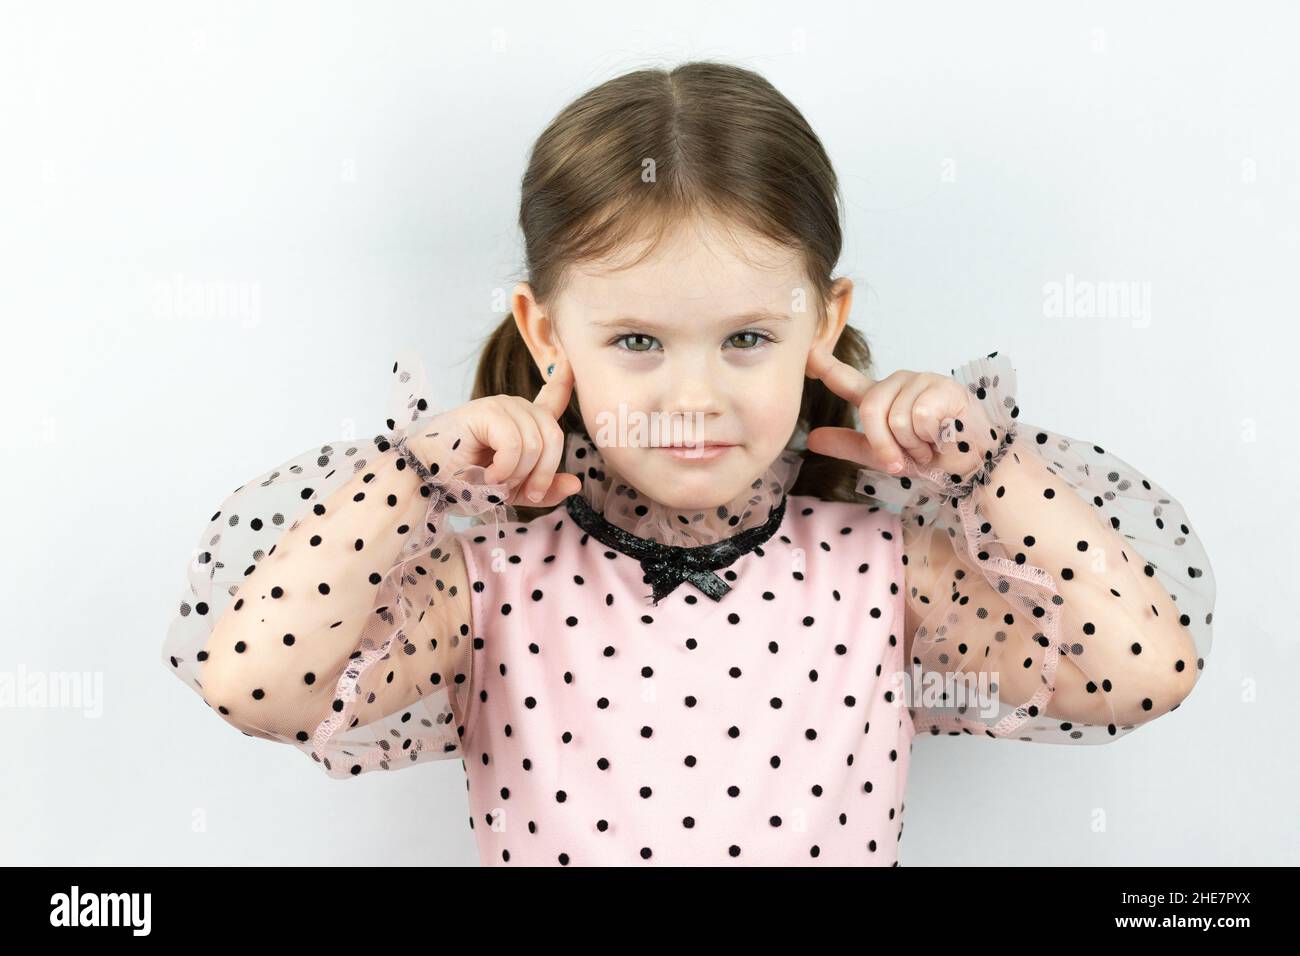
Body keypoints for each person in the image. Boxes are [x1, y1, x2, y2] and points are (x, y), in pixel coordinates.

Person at [161, 61, 1215, 866]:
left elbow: (1138, 675)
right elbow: (255, 681)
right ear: (544, 335)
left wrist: (983, 473)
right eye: (636, 341)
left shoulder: (884, 568)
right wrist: (414, 478)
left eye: (747, 339)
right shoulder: (490, 583)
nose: (694, 398)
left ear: (824, 319)